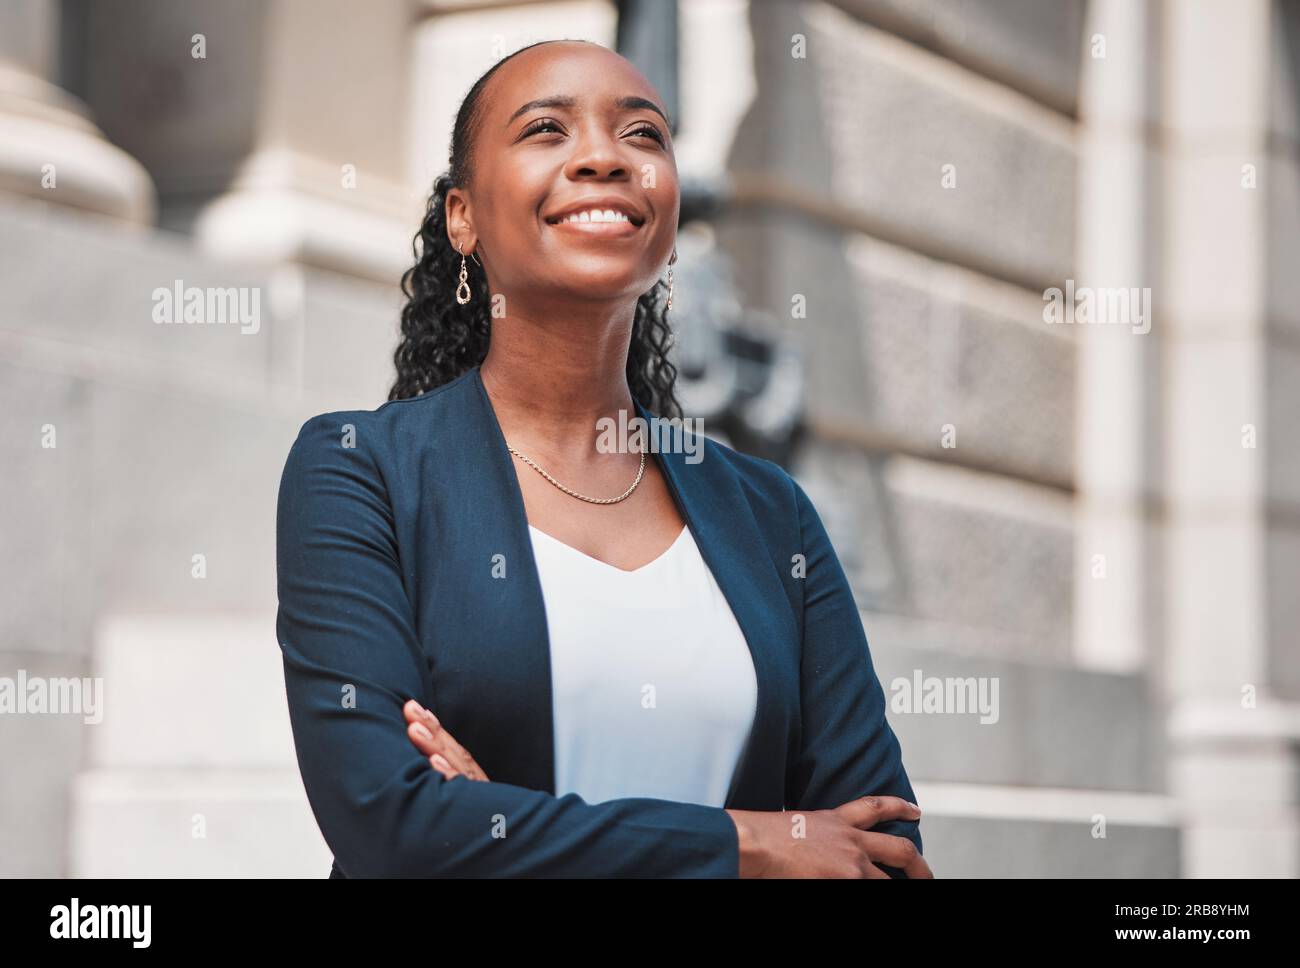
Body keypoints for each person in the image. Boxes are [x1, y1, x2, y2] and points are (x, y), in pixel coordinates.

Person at [275, 38, 931, 878]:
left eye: (644, 135)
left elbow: (883, 854)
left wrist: (505, 826)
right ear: (462, 217)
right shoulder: (361, 471)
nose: (602, 158)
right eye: (547, 128)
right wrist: (751, 843)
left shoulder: (770, 514)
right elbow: (389, 819)